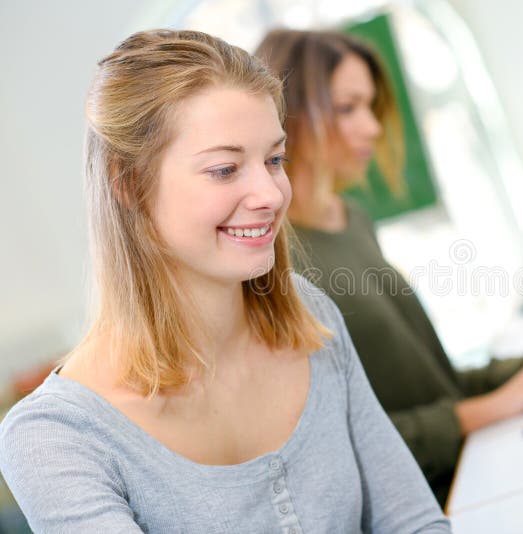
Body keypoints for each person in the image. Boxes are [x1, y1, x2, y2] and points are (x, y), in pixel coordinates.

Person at [0, 29, 450, 533]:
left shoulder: (311, 318)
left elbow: (413, 521)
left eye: (274, 160)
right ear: (128, 184)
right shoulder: (57, 438)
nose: (270, 193)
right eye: (224, 169)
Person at [255, 29, 523, 505]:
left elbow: (434, 382)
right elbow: (347, 442)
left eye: (370, 108)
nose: (373, 128)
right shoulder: (271, 262)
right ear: (290, 114)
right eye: (349, 107)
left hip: (466, 473)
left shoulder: (352, 219)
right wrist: (499, 404)